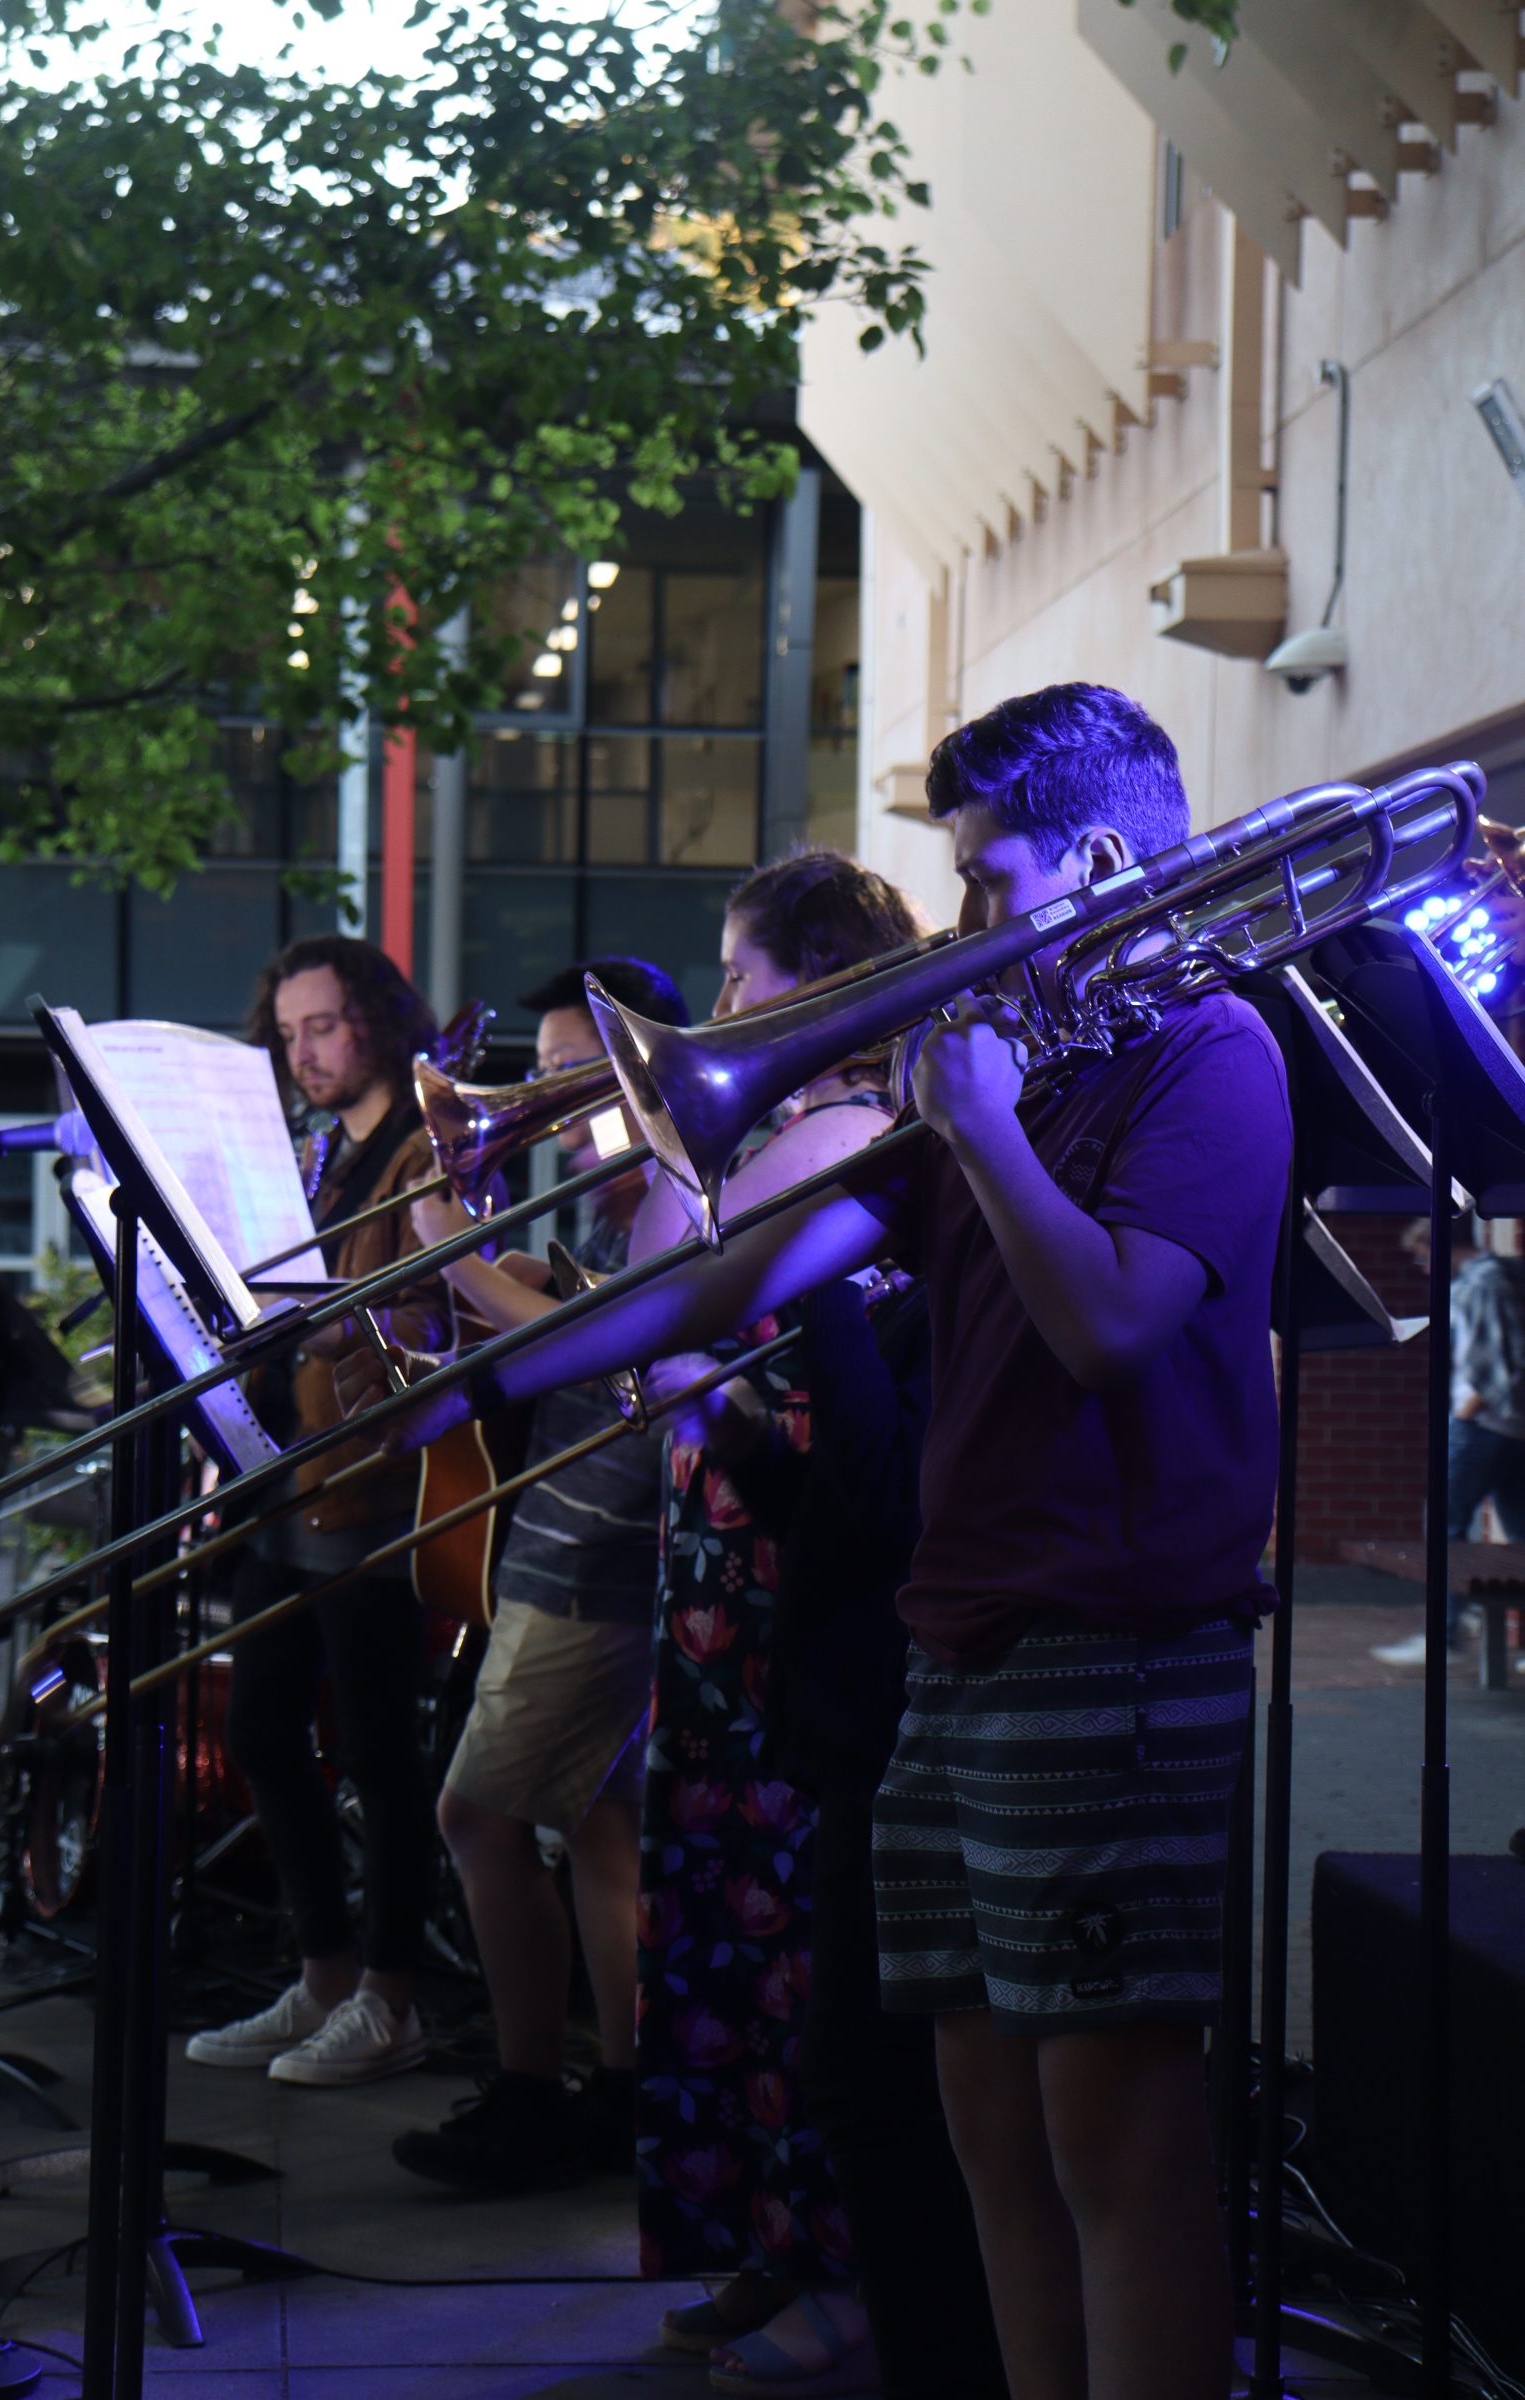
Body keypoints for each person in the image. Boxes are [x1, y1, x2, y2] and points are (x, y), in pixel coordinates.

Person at [376, 683, 1294, 2400]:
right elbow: (716, 1285)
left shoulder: (1209, 1051)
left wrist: (984, 1124)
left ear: (1104, 864)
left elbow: (1109, 1325)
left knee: (1114, 2139)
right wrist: (469, 1368)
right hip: (959, 1642)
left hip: (1113, 1638)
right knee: (989, 2134)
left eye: (988, 879)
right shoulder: (1002, 1071)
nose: (958, 922)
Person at [614, 854, 923, 2393]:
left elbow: (678, 1296)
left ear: (820, 979)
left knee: (797, 1933)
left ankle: (844, 2261)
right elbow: (652, 1296)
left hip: (800, 1571)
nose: (721, 997)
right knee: (725, 1928)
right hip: (726, 1563)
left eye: (742, 970)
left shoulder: (856, 1127)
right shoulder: (776, 1130)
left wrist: (674, 1149)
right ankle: (766, 2239)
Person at [381, 955, 691, 2194]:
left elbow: (613, 1347)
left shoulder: (669, 1188)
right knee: (604, 1831)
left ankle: (528, 2094)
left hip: (592, 1565)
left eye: (575, 1071)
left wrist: (457, 1252)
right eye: (544, 1070)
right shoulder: (614, 1205)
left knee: (476, 1818)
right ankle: (619, 2092)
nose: (547, 1098)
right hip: (570, 1549)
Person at [668, 1261, 1005, 2400]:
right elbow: (838, 1516)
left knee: (877, 2089)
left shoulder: (957, 1284)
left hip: (904, 1728)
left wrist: (826, 1292)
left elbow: (886, 1500)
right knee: (870, 2083)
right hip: (859, 1726)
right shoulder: (925, 1285)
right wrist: (738, 1438)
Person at [185, 934, 452, 2086]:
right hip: (290, 1477)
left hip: (372, 1483)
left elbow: (443, 1314)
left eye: (324, 1027)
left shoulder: (428, 1144)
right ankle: (326, 1975)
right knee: (259, 1731)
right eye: (289, 1033)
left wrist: (351, 1322)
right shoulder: (320, 1154)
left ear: (376, 1022)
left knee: (381, 1753)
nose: (303, 1053)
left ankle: (392, 1997)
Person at [1371, 1216, 1525, 1668]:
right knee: (1519, 1534)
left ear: (1440, 1245)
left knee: (1443, 1526)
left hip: (1484, 1426)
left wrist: (1466, 1412)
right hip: (1507, 1426)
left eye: (1424, 1257)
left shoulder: (1482, 1284)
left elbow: (1503, 1362)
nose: (1424, 1268)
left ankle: (1443, 1635)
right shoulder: (1490, 1279)